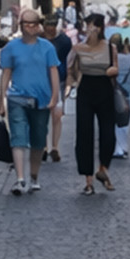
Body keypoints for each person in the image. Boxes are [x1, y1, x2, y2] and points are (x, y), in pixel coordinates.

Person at [0, 9, 60, 194]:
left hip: (41, 99)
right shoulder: (11, 48)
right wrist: (2, 100)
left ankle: (33, 176)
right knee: (18, 137)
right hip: (17, 97)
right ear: (21, 25)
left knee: (38, 140)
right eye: (27, 24)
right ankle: (20, 178)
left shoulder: (47, 47)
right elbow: (5, 74)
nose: (30, 28)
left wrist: (54, 96)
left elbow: (53, 72)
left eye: (34, 25)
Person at [65, 13, 120, 195]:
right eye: (89, 25)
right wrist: (72, 84)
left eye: (96, 25)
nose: (92, 29)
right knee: (84, 133)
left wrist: (112, 71)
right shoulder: (78, 48)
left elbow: (116, 67)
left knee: (108, 133)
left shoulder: (110, 47)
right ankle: (88, 178)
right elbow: (70, 68)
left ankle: (103, 169)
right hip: (86, 89)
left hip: (105, 88)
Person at [48, 22, 75, 161]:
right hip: (44, 82)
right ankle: (48, 147)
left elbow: (68, 60)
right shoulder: (39, 39)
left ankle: (53, 147)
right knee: (48, 115)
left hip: (59, 80)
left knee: (56, 114)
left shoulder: (64, 41)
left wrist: (69, 79)